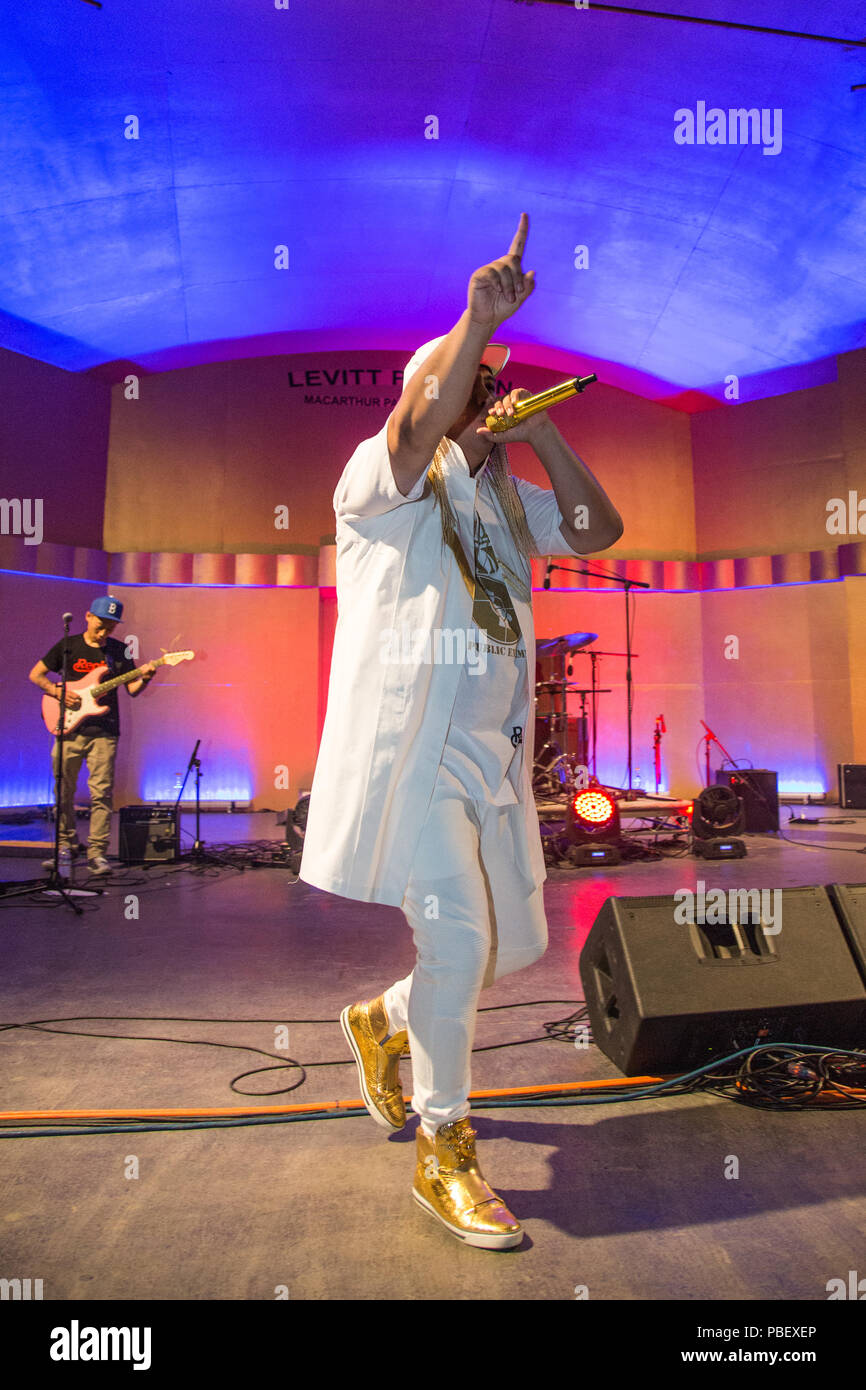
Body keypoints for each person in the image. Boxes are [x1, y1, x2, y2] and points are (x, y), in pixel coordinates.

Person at [300, 213, 623, 1249]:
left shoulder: (500, 497)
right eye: (470, 379)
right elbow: (418, 414)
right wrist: (474, 317)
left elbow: (597, 532)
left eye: (490, 378)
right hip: (419, 755)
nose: (486, 387)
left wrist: (546, 436)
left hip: (492, 756)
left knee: (509, 944)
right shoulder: (381, 478)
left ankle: (380, 1018)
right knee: (459, 936)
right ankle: (447, 1149)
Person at [28, 595, 157, 876]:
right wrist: (57, 692)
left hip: (105, 731)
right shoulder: (68, 646)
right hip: (68, 728)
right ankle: (66, 845)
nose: (104, 632)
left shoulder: (119, 651)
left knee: (102, 793)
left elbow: (132, 690)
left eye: (110, 627)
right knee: (63, 790)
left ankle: (97, 852)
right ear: (88, 616)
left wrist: (145, 677)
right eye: (101, 625)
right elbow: (36, 675)